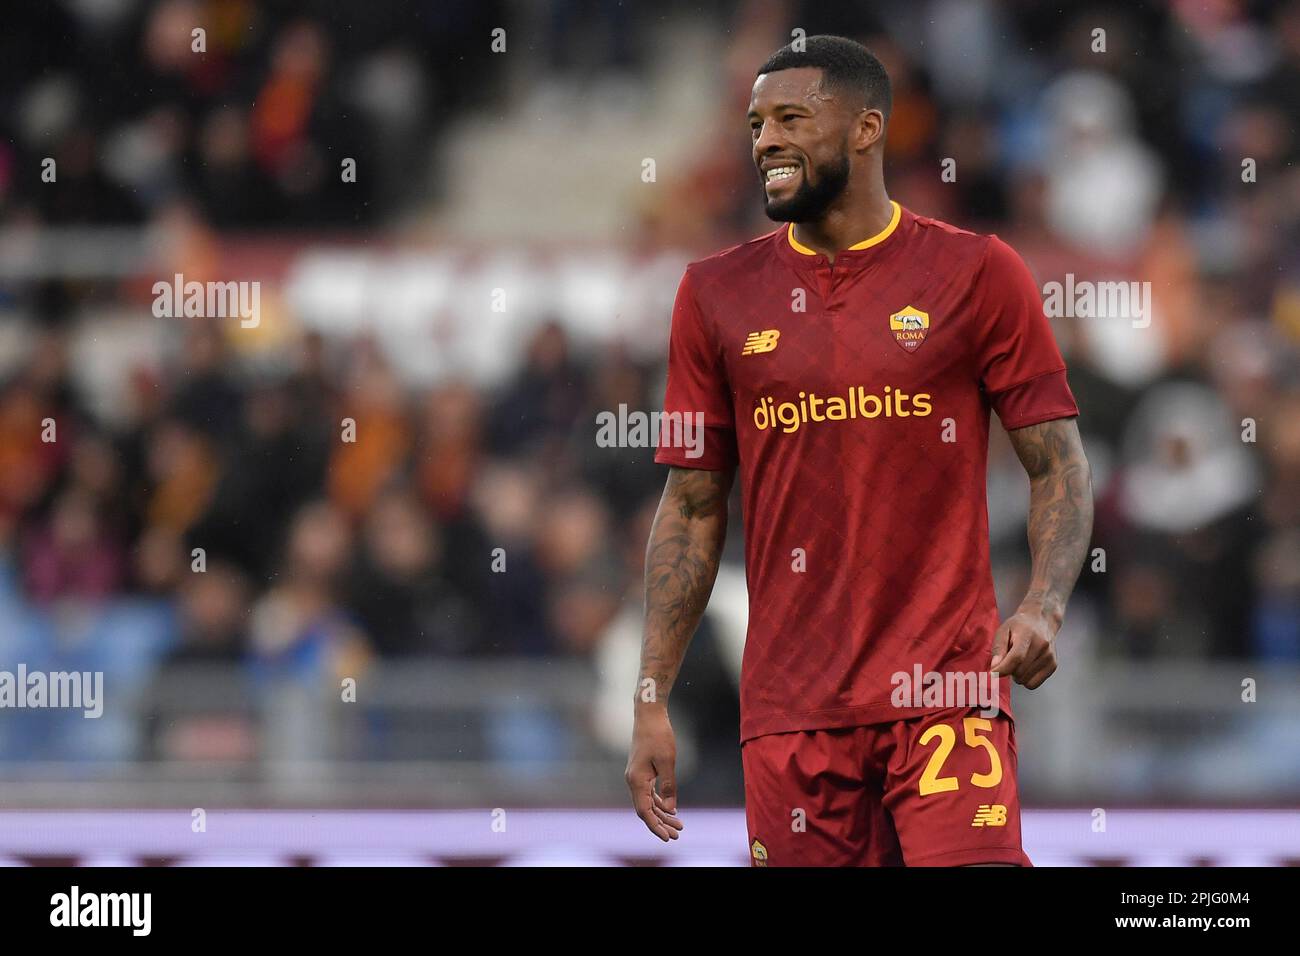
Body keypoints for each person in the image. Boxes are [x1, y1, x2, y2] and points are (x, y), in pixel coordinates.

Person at [626, 35, 1093, 866]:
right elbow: (693, 506)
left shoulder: (979, 273)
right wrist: (650, 695)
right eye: (756, 122)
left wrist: (1044, 604)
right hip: (791, 713)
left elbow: (1057, 460)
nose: (765, 139)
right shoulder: (714, 294)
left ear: (868, 128)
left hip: (948, 694)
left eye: (791, 117)